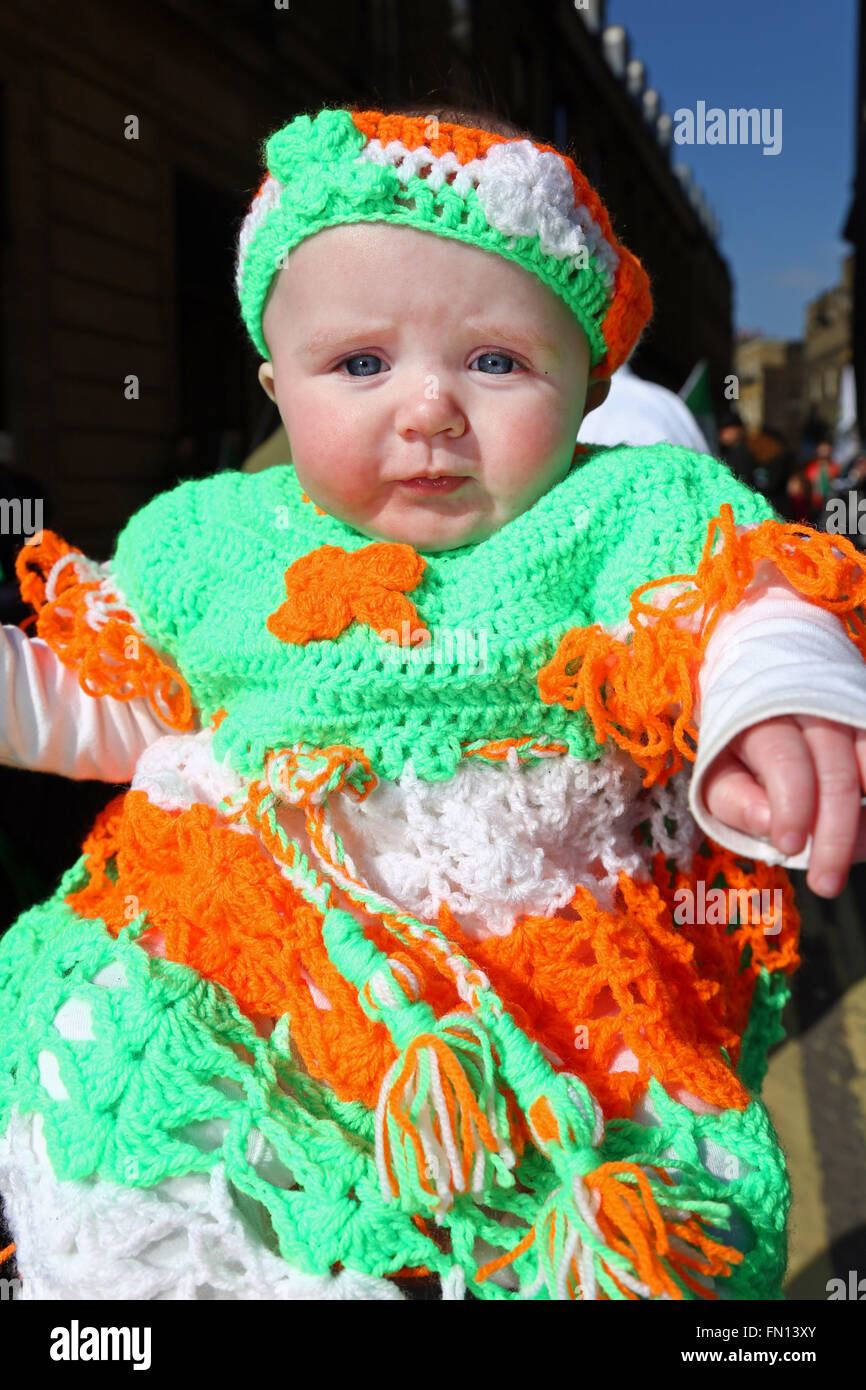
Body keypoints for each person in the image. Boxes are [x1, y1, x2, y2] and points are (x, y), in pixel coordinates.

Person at [2, 104, 866, 1303]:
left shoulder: (616, 512)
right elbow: (123, 707)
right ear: (274, 383)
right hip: (257, 968)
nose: (427, 410)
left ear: (584, 386)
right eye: (360, 364)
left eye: (495, 362)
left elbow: (747, 596)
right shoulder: (212, 538)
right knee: (192, 1186)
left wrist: (770, 700)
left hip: (538, 985)